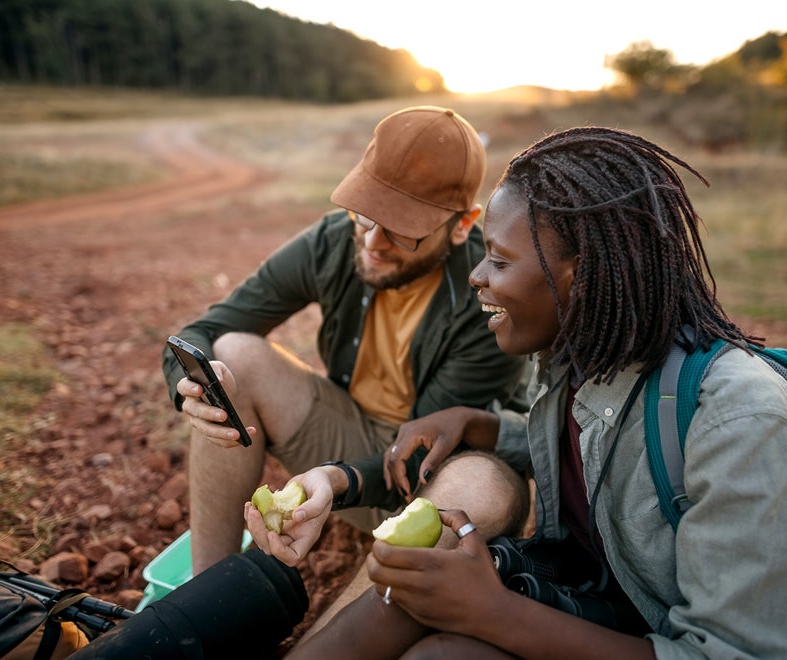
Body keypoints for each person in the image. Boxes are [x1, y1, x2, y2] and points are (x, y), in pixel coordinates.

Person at [270, 126, 787, 658]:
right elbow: (602, 454)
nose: (478, 277)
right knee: (408, 593)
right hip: (600, 593)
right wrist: (481, 425)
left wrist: (497, 614)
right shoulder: (579, 354)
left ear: (583, 274)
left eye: (498, 261)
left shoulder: (740, 420)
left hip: (664, 632)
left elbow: (739, 654)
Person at [162, 105, 528, 579]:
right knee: (231, 355)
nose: (373, 241)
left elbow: (420, 461)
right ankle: (204, 593)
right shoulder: (335, 242)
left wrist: (336, 480)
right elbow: (207, 329)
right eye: (365, 213)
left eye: (402, 229)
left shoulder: (487, 297)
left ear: (462, 224)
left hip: (430, 481)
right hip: (354, 434)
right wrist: (189, 389)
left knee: (474, 487)